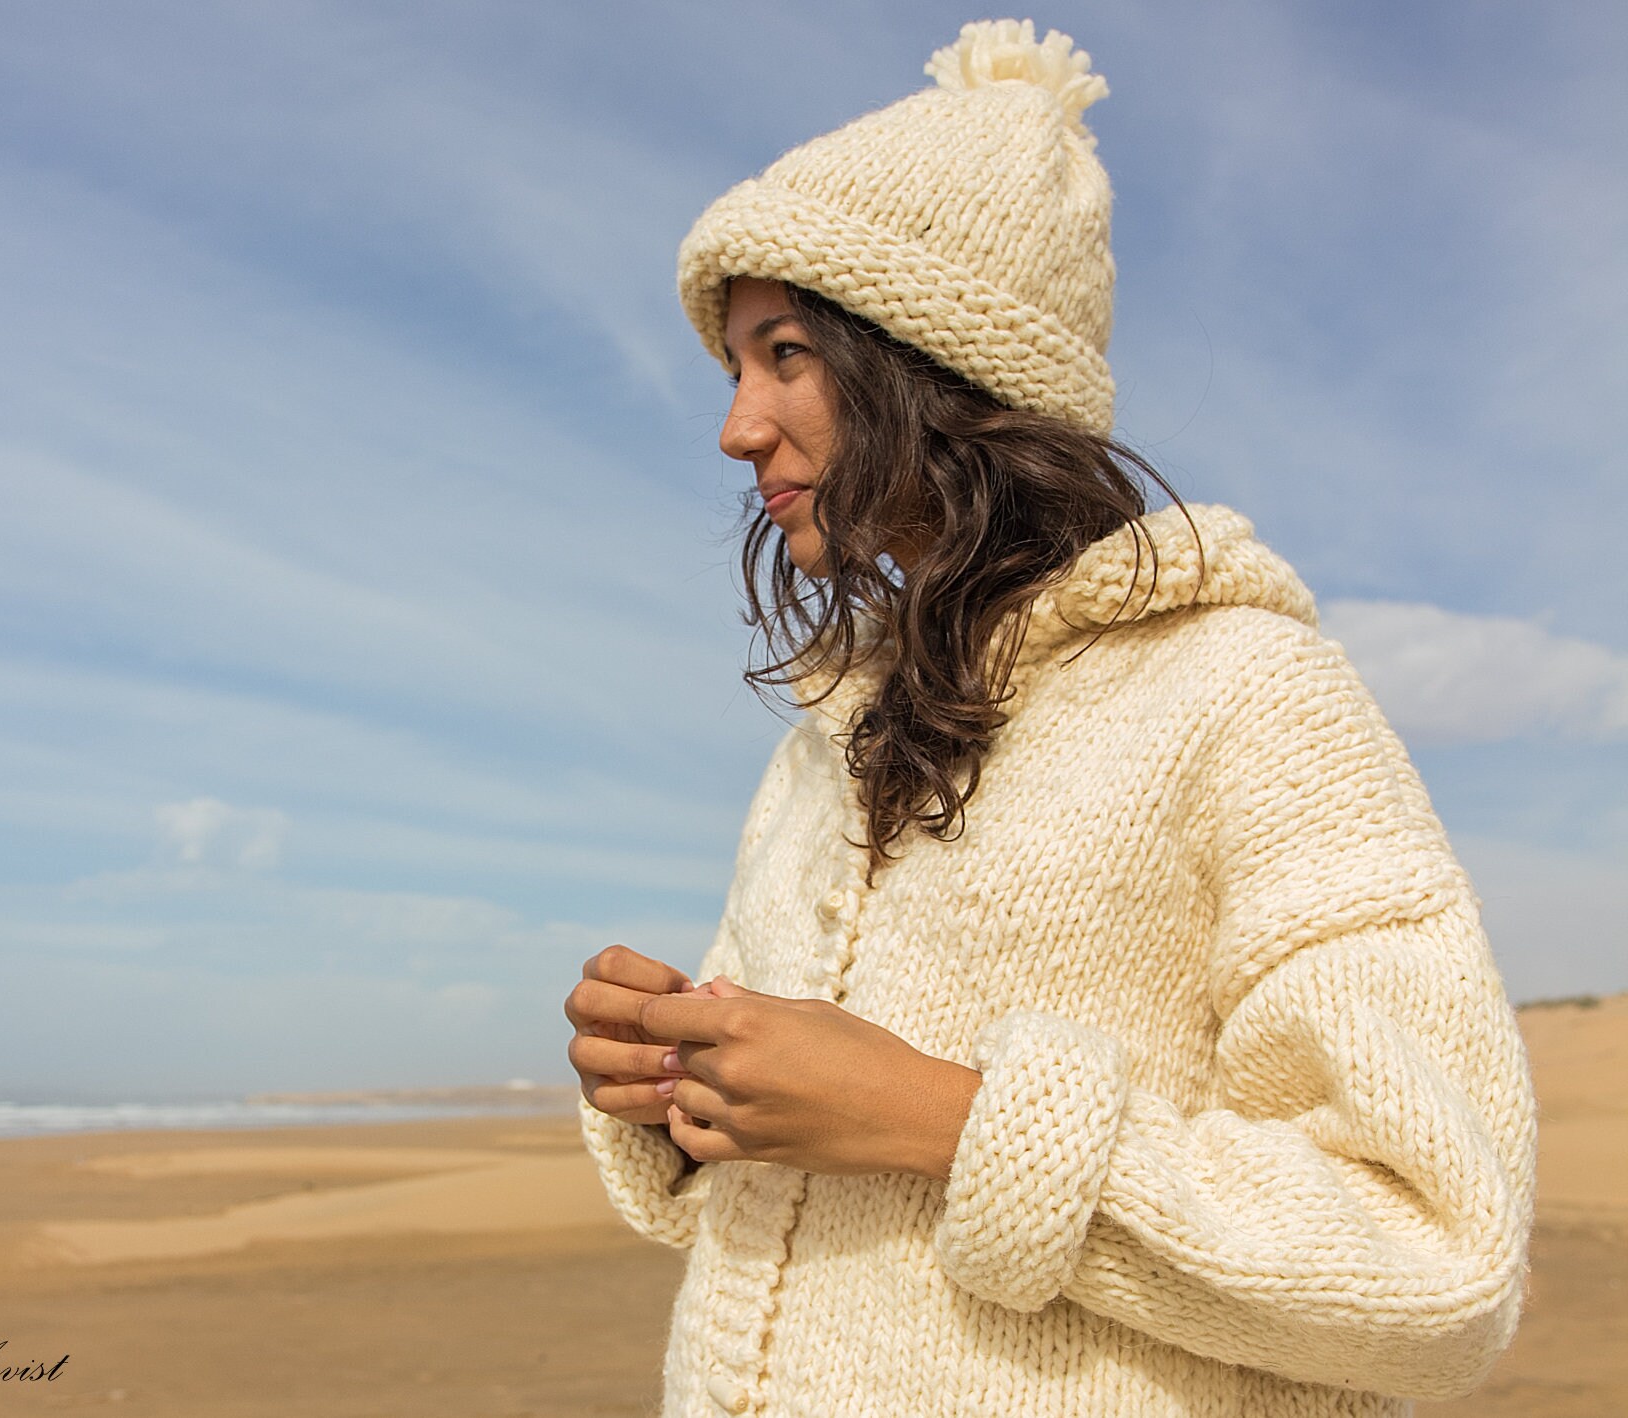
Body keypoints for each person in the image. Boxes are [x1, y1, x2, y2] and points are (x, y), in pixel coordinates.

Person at [562, 20, 1535, 1418]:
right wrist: (671, 1080)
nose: (737, 426)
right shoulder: (830, 738)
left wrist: (943, 1120)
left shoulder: (1244, 692)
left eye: (784, 353)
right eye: (734, 367)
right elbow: (755, 1187)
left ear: (933, 356)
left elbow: (1437, 1261)